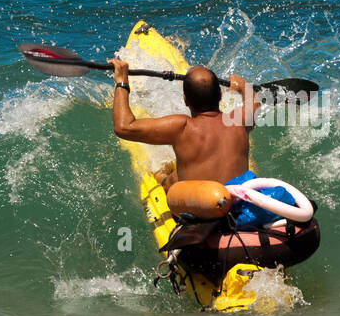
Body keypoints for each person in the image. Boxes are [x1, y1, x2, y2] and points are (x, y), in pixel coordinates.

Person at [108, 58, 293, 228]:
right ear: (220, 95)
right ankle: (168, 177)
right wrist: (242, 86)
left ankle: (162, 178)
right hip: (242, 211)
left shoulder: (182, 127)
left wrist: (121, 81)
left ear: (185, 100)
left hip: (204, 216)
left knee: (176, 185)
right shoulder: (240, 120)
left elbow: (124, 127)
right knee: (179, 176)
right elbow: (254, 100)